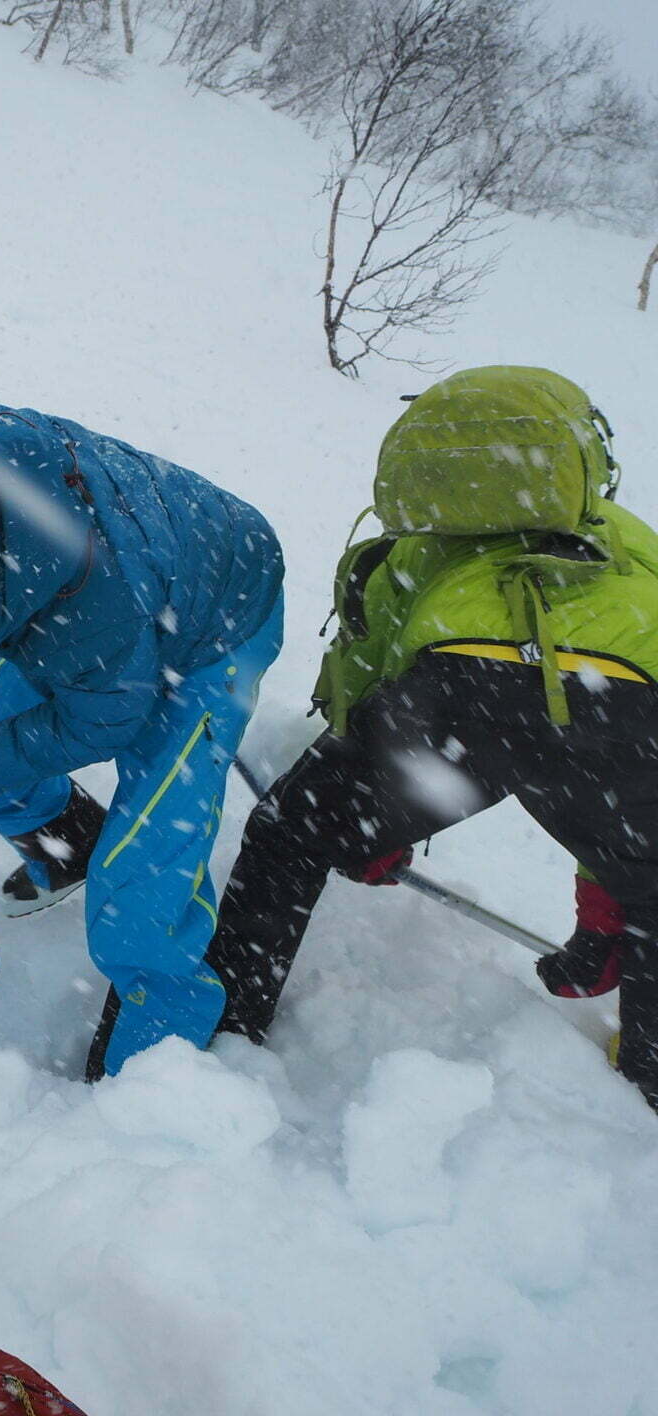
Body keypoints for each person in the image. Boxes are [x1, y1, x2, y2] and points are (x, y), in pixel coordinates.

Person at [206, 366, 658, 1114]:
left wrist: (365, 823)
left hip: (464, 685)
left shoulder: (415, 550)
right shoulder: (631, 542)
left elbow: (365, 678)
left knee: (289, 836)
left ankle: (227, 1021)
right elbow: (612, 780)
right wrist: (610, 889)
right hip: (628, 697)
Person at [0, 401, 284, 1078]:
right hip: (108, 599)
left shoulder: (91, 604)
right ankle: (72, 847)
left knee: (139, 891)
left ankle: (165, 1043)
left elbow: (102, 720)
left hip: (215, 624)